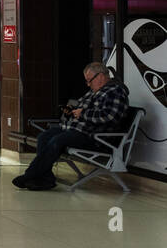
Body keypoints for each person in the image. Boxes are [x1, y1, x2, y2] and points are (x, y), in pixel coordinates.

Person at [13, 62, 130, 191]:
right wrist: (71, 110)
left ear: (101, 76)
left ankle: (30, 175)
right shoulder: (94, 91)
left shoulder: (115, 92)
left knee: (58, 141)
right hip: (76, 131)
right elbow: (79, 105)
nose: (88, 84)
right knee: (44, 137)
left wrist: (83, 113)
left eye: (89, 80)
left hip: (95, 138)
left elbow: (110, 117)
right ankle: (45, 179)